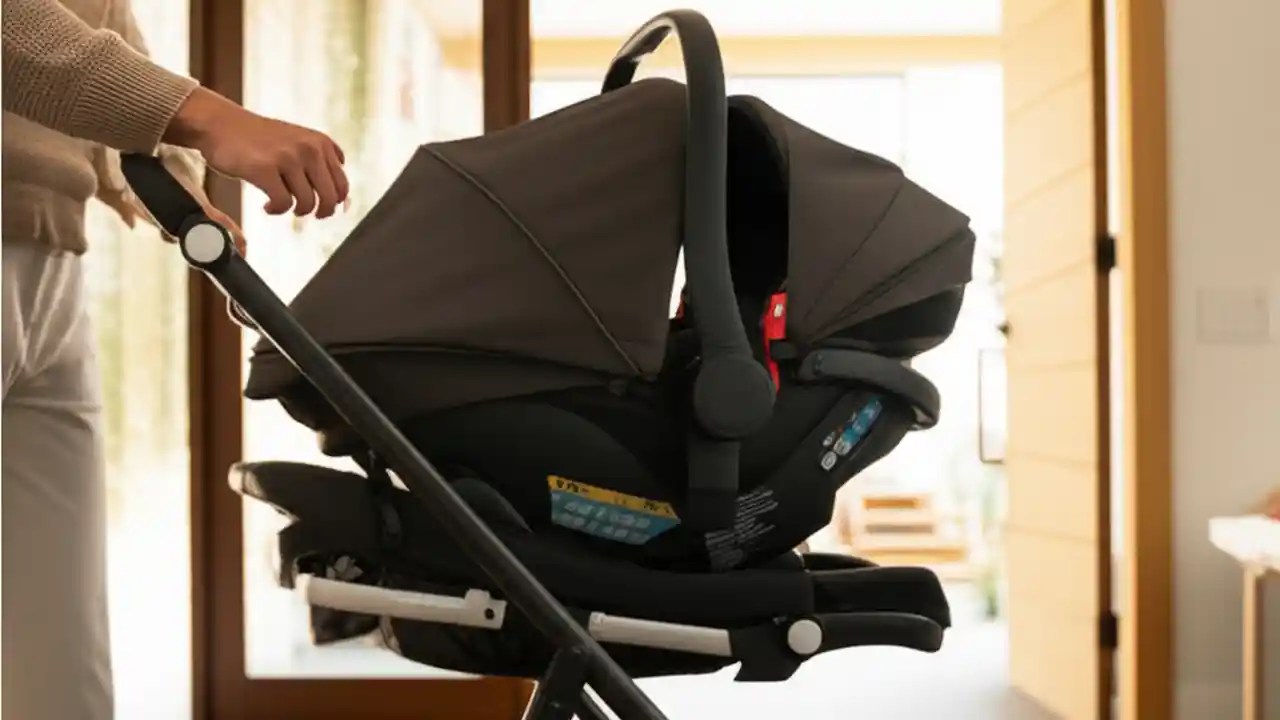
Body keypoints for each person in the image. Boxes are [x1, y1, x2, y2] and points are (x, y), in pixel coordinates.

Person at [2, 1, 351, 717]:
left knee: (63, 660)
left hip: (50, 265)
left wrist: (184, 195)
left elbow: (105, 46)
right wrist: (217, 119)